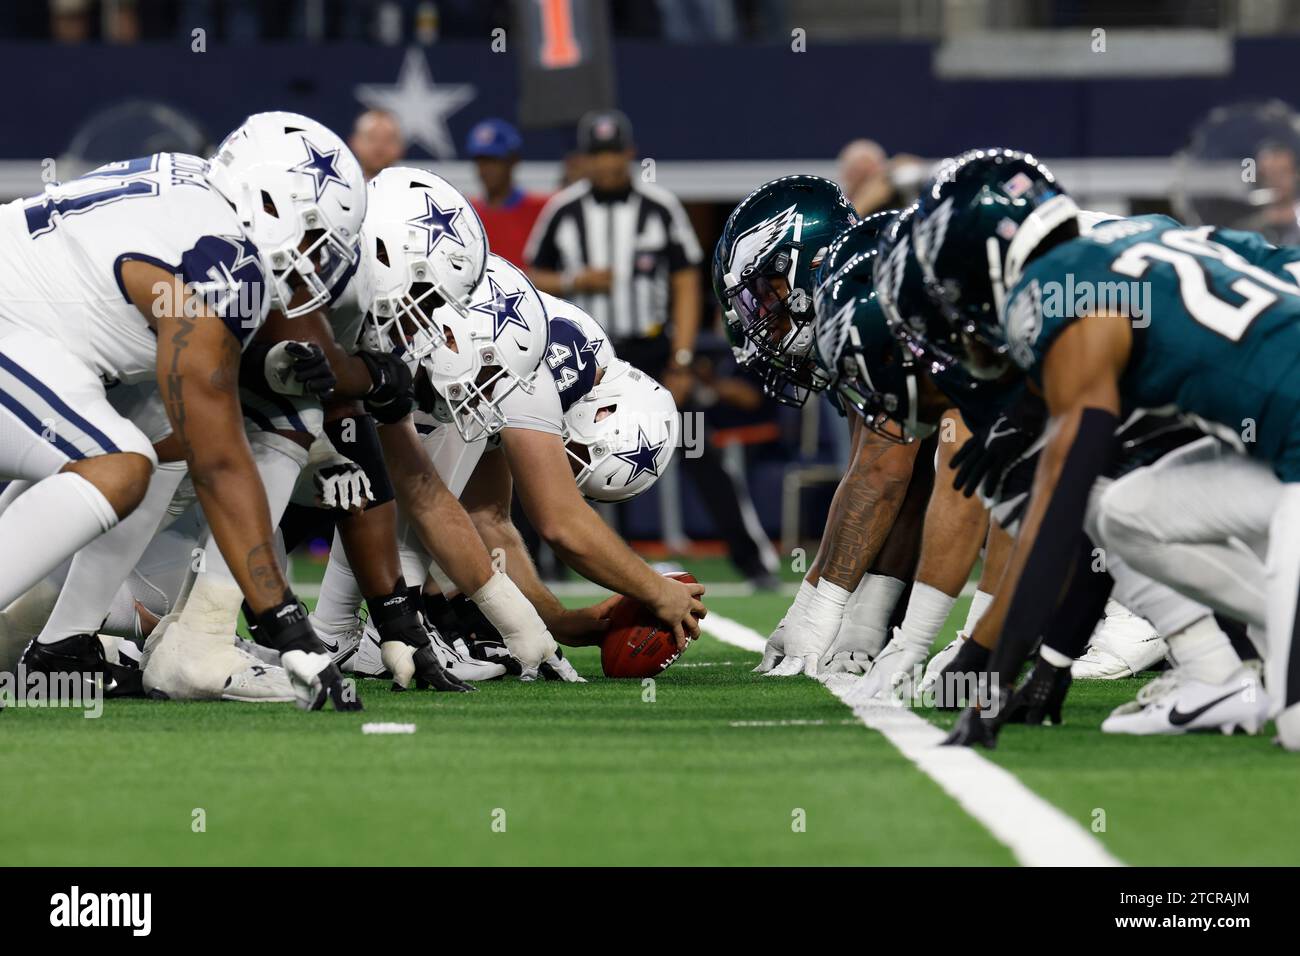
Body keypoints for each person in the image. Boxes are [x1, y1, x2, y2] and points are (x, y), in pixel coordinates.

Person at [526, 109, 776, 586]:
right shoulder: (563, 209)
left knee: (700, 447)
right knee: (548, 447)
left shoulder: (660, 207)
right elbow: (533, 277)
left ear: (628, 154)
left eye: (612, 153)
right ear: (584, 159)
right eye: (596, 155)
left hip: (650, 352)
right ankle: (544, 565)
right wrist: (578, 279)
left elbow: (686, 280)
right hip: (583, 358)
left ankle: (753, 560)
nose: (605, 164)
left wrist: (681, 359)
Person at [466, 118, 550, 270]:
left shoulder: (543, 209)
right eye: (481, 161)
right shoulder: (466, 213)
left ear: (513, 161)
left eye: (494, 160)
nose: (486, 169)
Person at [349, 109, 406, 182]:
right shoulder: (336, 188)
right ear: (354, 142)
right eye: (372, 138)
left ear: (401, 146)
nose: (379, 147)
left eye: (388, 140)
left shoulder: (414, 191)